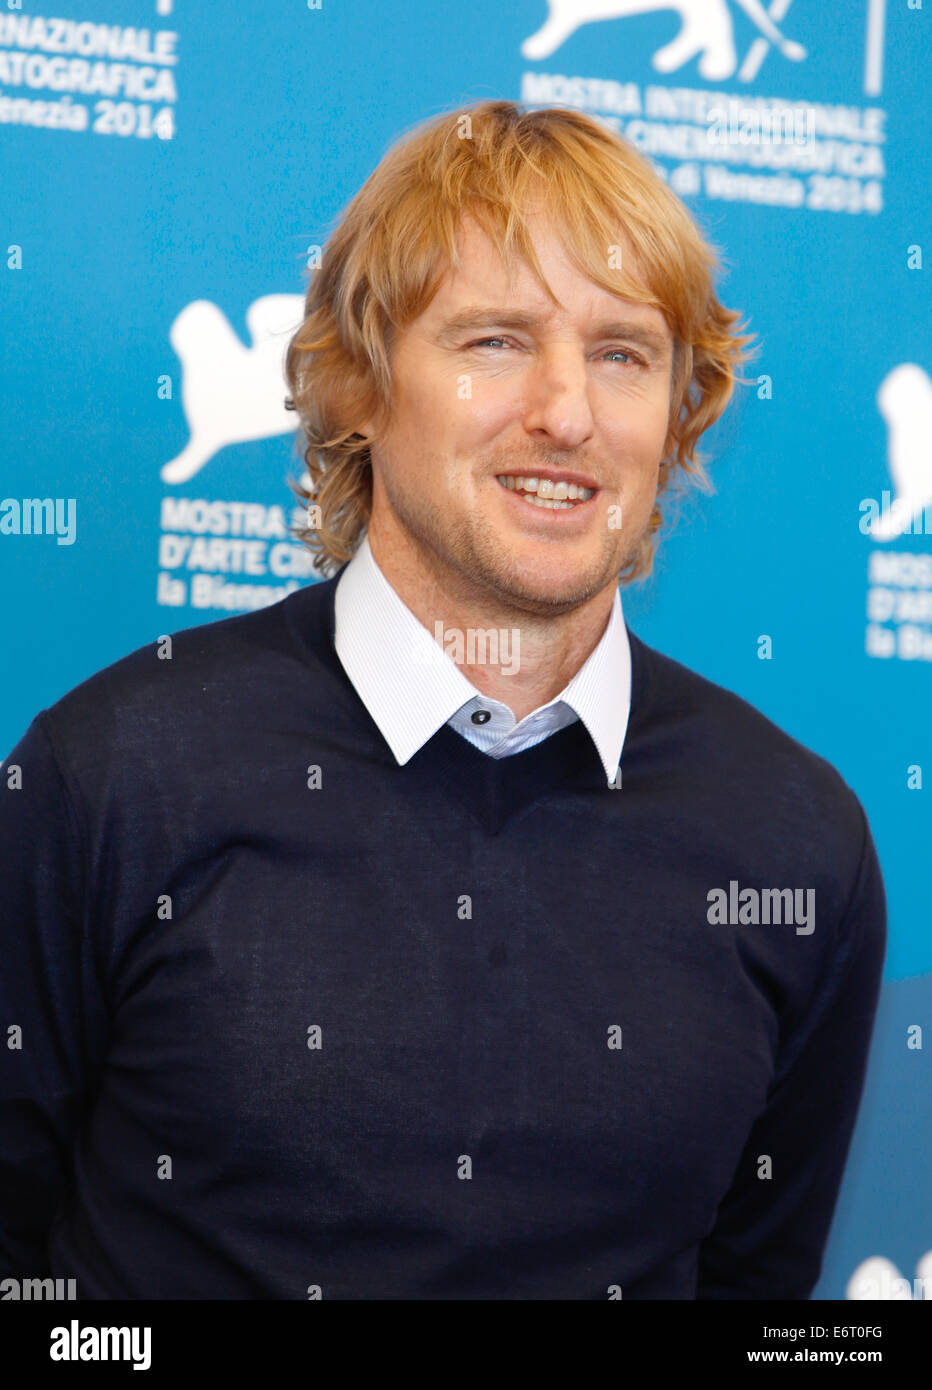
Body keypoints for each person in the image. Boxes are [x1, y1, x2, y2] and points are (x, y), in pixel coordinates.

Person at [0, 100, 885, 1299]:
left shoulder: (795, 836)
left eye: (621, 353)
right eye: (493, 342)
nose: (565, 413)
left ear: (678, 414)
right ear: (356, 386)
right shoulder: (108, 773)